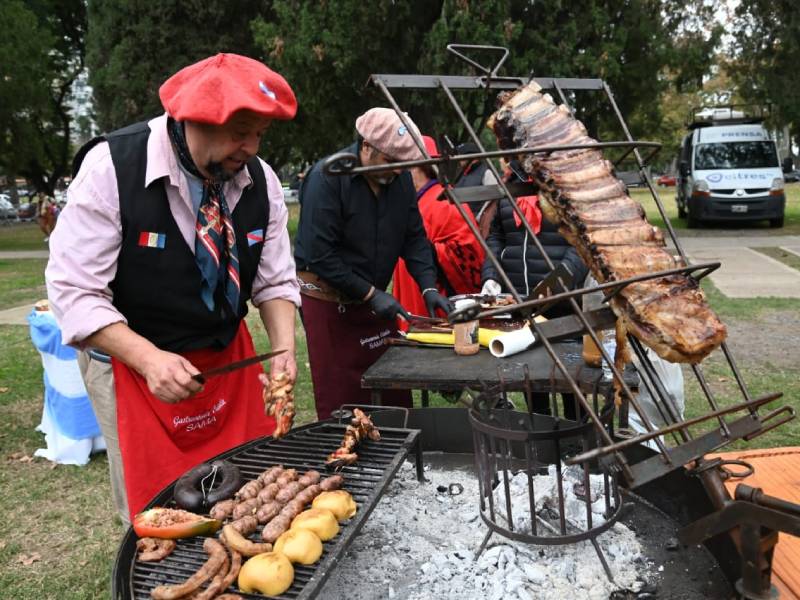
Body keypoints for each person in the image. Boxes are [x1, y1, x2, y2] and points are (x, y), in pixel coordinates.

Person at [45, 53, 300, 524]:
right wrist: (148, 359)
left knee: (248, 491)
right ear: (193, 119)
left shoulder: (261, 180)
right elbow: (75, 292)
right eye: (240, 131)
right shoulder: (111, 169)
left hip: (227, 361)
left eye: (261, 133)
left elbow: (276, 278)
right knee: (157, 511)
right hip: (131, 366)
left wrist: (284, 349)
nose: (251, 147)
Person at [294, 108, 452, 419]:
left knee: (393, 390)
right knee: (344, 402)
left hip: (373, 303)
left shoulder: (400, 180)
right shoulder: (327, 177)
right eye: (390, 160)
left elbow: (414, 238)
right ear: (366, 145)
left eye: (402, 164)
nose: (397, 170)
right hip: (329, 304)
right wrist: (370, 294)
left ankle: (399, 444)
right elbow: (319, 254)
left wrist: (428, 287)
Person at [480, 158, 588, 417]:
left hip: (564, 304)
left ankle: (576, 432)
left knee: (571, 381)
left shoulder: (567, 184)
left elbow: (583, 241)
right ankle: (541, 430)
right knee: (531, 379)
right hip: (520, 302)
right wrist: (491, 275)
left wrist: (559, 280)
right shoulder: (510, 186)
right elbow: (497, 236)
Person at [392, 135, 484, 325]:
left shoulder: (445, 200)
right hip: (411, 292)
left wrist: (428, 251)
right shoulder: (412, 200)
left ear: (420, 166)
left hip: (437, 300)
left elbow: (470, 253)